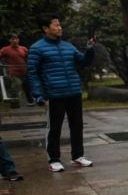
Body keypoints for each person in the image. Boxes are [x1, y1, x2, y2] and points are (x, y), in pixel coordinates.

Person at [27, 13, 95, 172]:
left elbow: (84, 61)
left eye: (60, 25)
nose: (60, 28)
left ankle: (78, 156)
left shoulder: (68, 46)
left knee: (77, 126)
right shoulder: (37, 48)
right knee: (54, 128)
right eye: (56, 25)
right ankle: (54, 159)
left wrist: (90, 50)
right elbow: (32, 73)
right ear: (45, 28)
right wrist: (38, 94)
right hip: (54, 94)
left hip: (73, 92)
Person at [0, 32, 33, 105]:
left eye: (16, 39)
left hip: (24, 71)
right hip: (14, 73)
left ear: (18, 40)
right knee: (16, 86)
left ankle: (30, 101)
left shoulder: (23, 48)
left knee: (27, 86)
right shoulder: (5, 49)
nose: (15, 40)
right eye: (13, 39)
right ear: (10, 40)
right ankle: (14, 103)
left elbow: (30, 57)